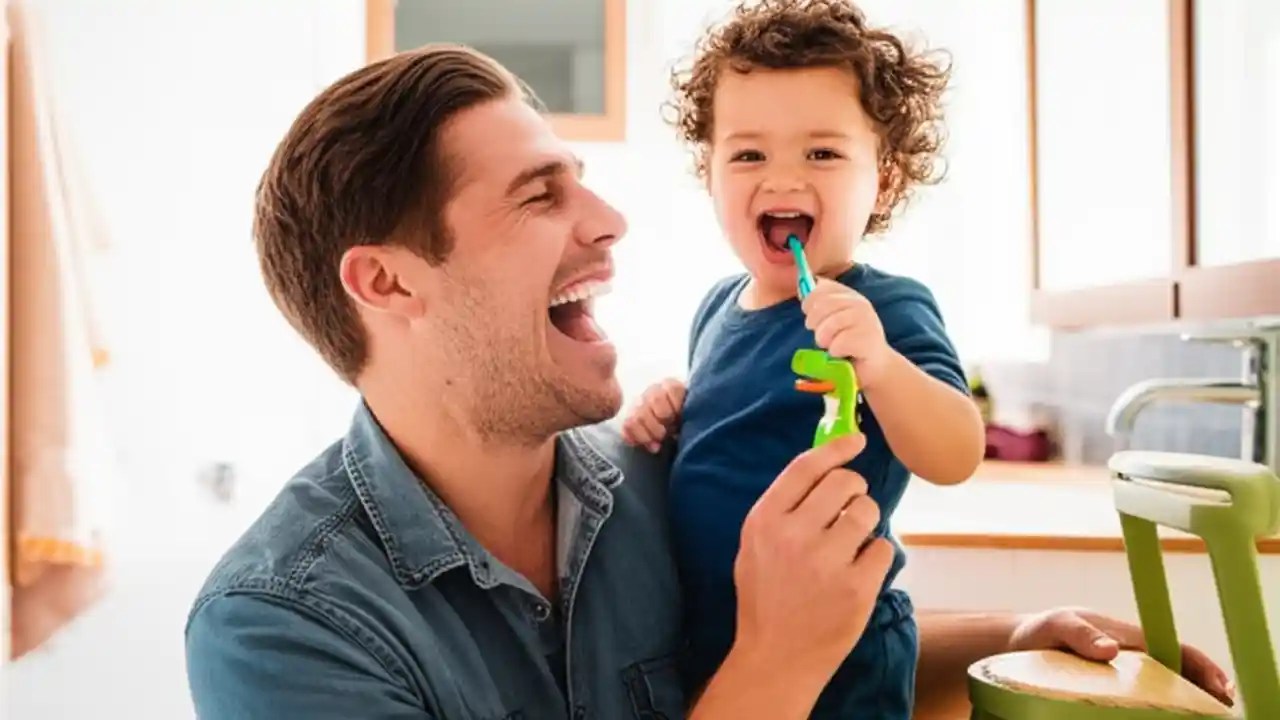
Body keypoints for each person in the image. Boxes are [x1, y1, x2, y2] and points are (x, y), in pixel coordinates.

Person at [183, 43, 1235, 719]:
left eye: (582, 183)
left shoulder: (647, 479)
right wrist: (775, 659)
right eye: (538, 194)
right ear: (386, 281)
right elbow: (768, 664)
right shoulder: (281, 628)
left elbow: (796, 656)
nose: (607, 222)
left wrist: (1005, 639)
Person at [621, 2, 982, 716]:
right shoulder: (717, 308)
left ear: (889, 177)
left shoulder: (888, 310)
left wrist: (879, 364)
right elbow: (733, 420)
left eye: (822, 153)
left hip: (845, 658)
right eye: (749, 153)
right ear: (711, 172)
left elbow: (957, 452)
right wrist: (672, 409)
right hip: (716, 644)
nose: (783, 178)